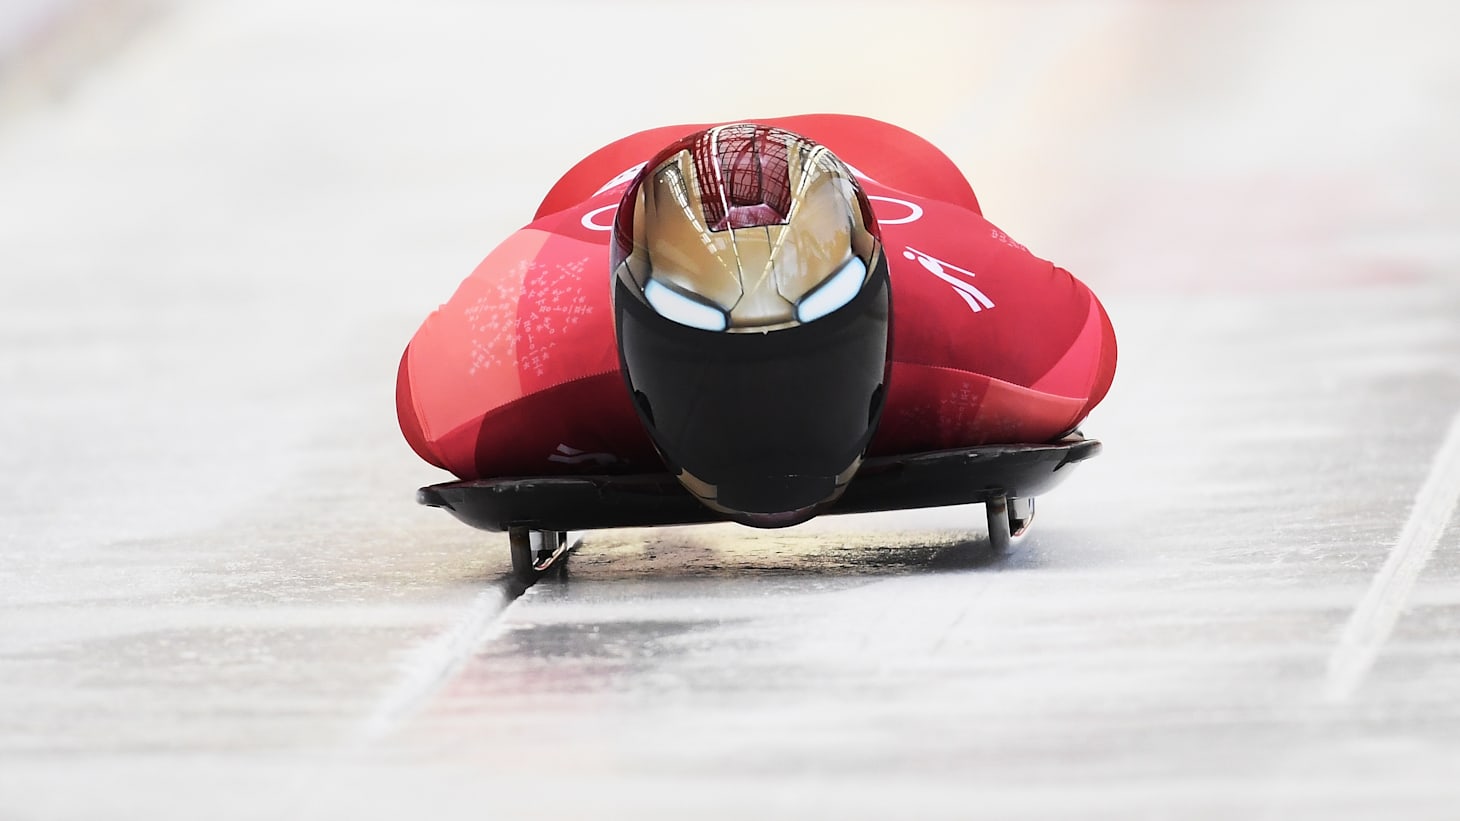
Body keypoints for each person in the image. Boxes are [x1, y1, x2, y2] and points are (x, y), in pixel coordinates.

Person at [396, 115, 1116, 526]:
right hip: (594, 200)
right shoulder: (518, 358)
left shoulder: (991, 336)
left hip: (890, 170)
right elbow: (1095, 338)